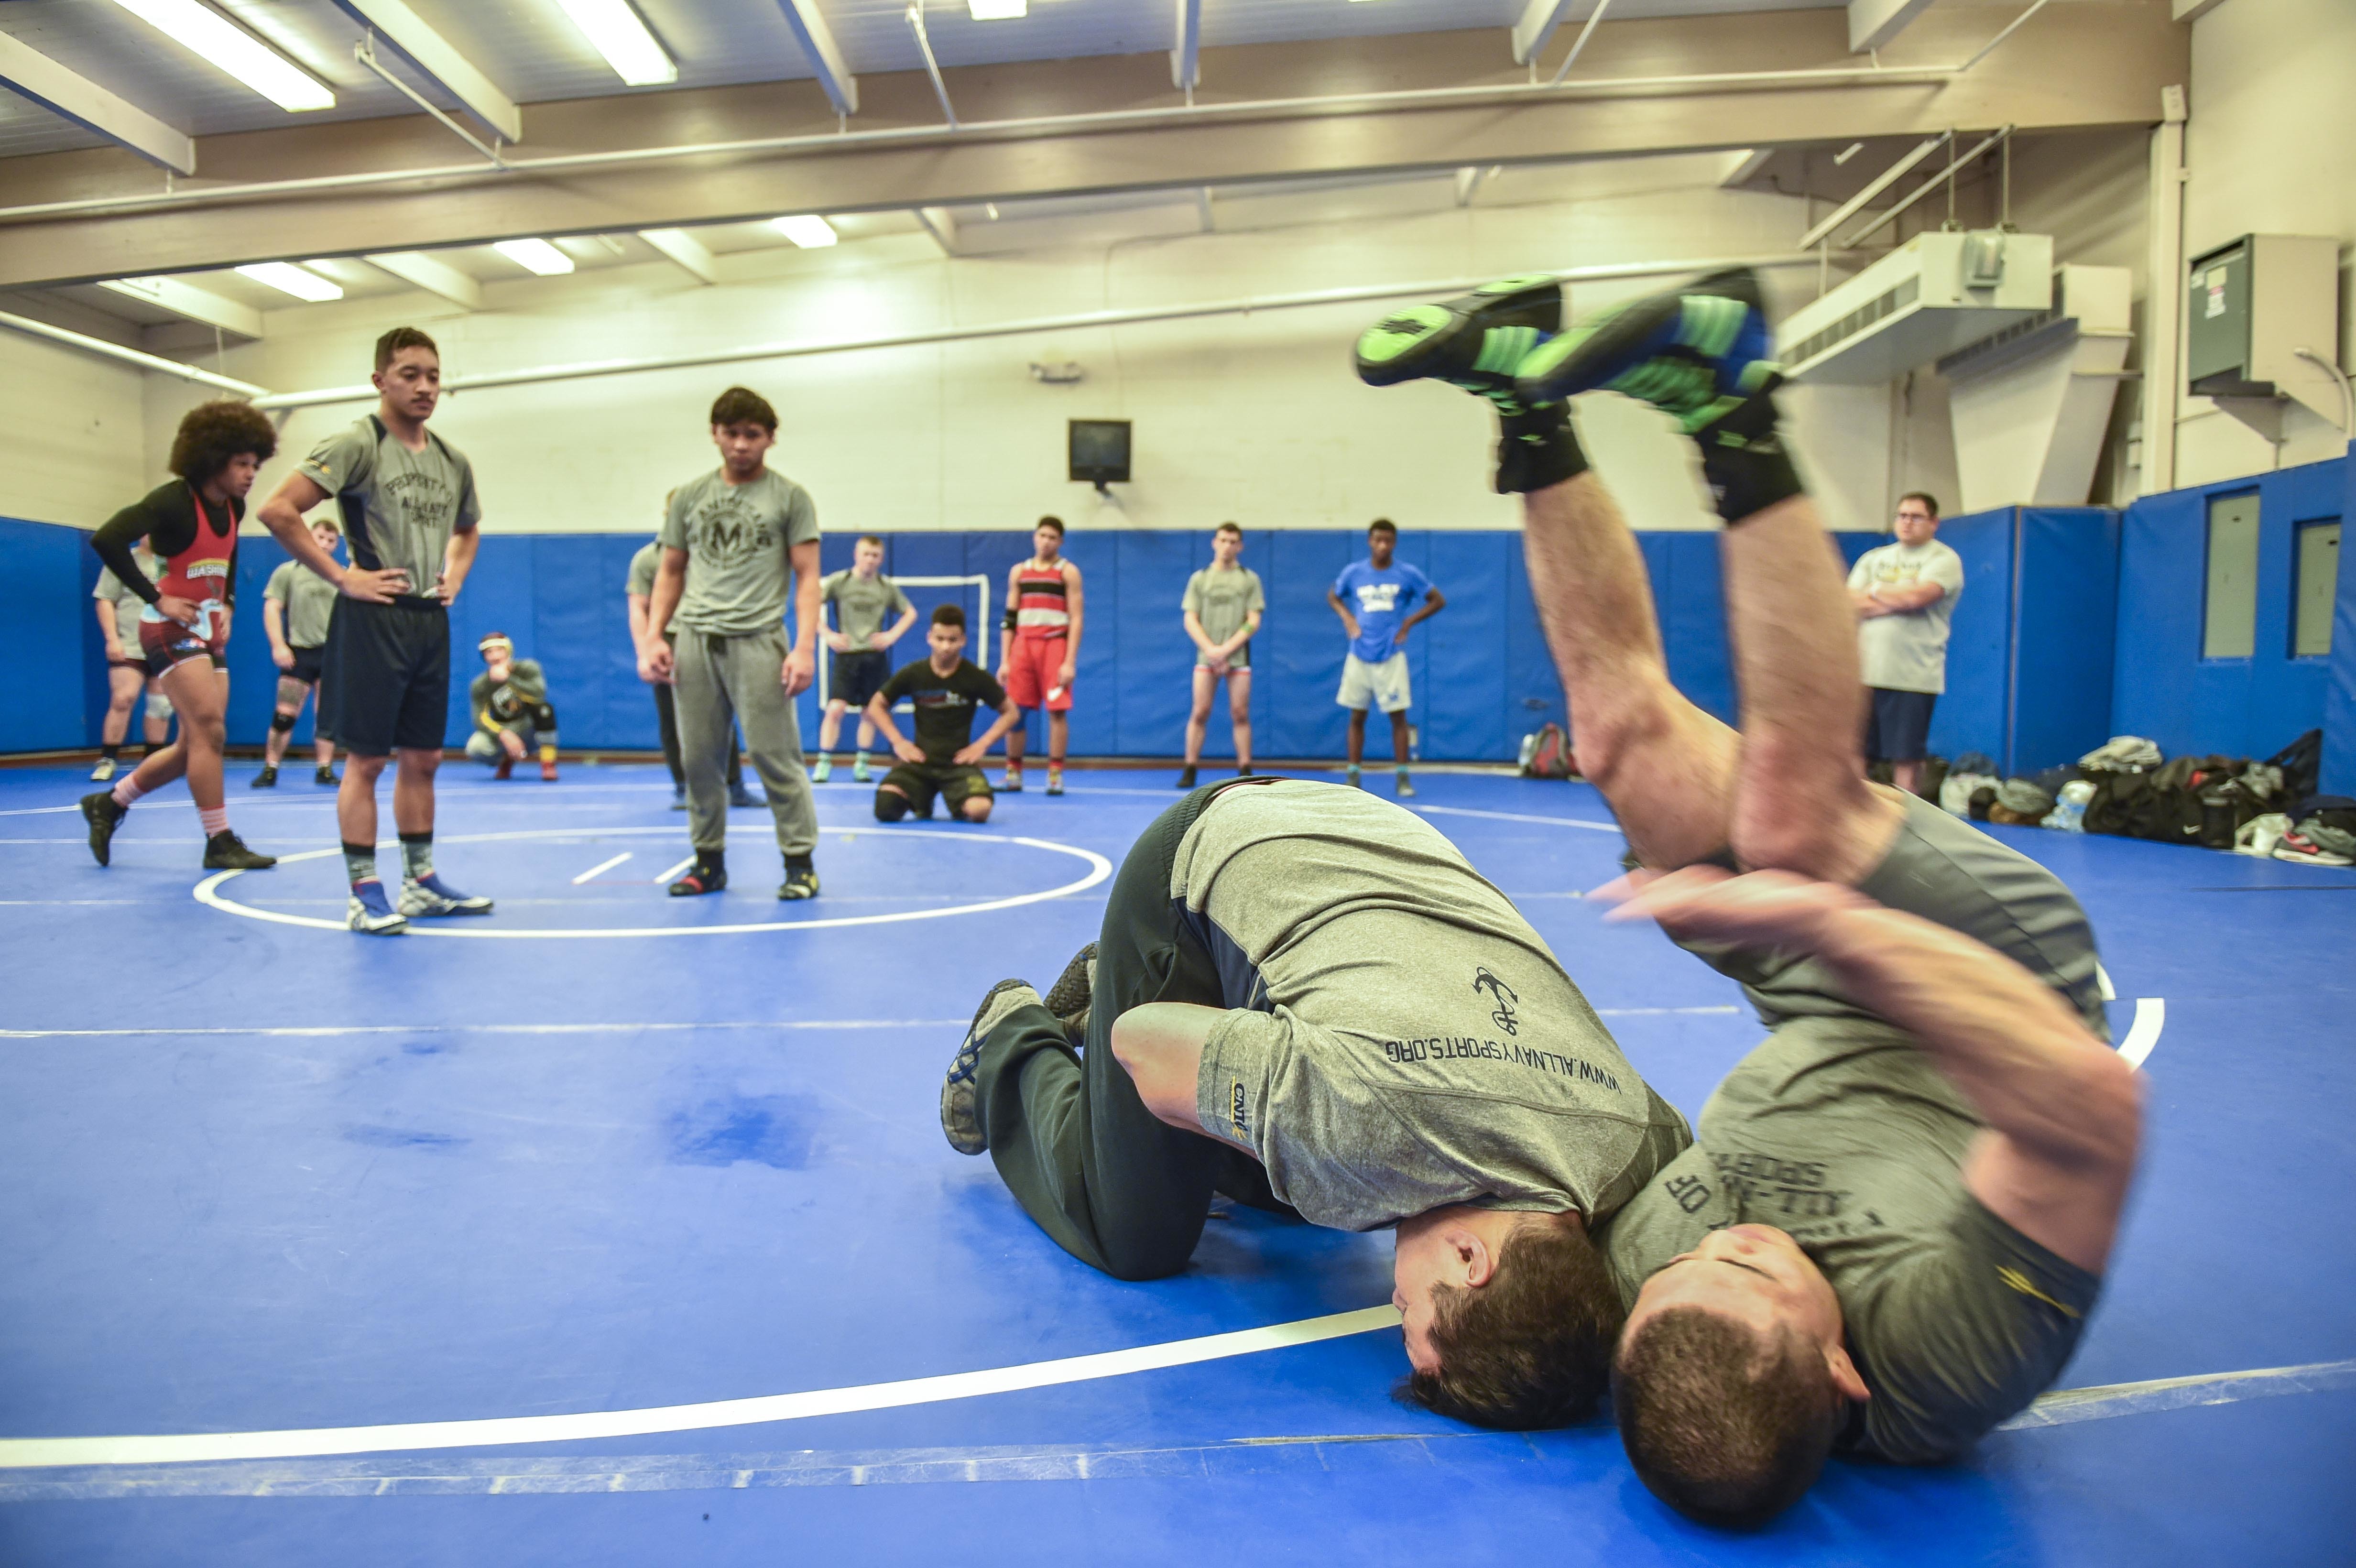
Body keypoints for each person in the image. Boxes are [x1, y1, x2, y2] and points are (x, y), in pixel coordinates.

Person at [1357, 268, 2140, 1525]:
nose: (1727, 1246)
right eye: (1759, 1276)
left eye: (1686, 1275)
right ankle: (1736, 406)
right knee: (1793, 826)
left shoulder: (1647, 1303)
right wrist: (1834, 926)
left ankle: (1524, 396)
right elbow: (2091, 1111)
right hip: (1987, 991)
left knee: (1624, 748)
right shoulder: (1944, 1370)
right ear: (1839, 1374)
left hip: (1801, 986)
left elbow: (1503, 1240)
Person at [938, 776, 1691, 1429]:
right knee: (1132, 1232)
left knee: (1305, 1179)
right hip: (1209, 852)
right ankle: (1016, 1037)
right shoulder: (1359, 1123)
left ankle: (1215, 1024)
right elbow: (1140, 1041)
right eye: (1409, 1314)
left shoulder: (1637, 1140)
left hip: (1383, 836)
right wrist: (1160, 1048)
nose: (1393, 1296)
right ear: (1470, 1259)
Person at [255, 324, 493, 936]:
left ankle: (420, 883)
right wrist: (342, 576)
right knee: (365, 761)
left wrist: (454, 578)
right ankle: (365, 893)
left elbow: (468, 530)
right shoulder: (357, 443)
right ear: (380, 380)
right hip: (372, 619)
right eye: (409, 374)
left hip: (426, 620)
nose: (424, 387)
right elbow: (277, 510)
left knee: (425, 757)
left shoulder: (450, 459)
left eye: (433, 376)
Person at [77, 400, 280, 873]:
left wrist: (227, 602)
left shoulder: (235, 505)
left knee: (198, 741)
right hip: (167, 627)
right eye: (242, 464)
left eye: (256, 464)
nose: (251, 474)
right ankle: (219, 840)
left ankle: (111, 802)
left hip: (207, 628)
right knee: (209, 729)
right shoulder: (172, 500)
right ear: (213, 459)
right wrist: (157, 595)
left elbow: (226, 557)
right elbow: (107, 538)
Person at [641, 386, 822, 901]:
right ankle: (708, 862)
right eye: (731, 433)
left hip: (759, 638)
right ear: (714, 435)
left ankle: (799, 863)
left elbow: (808, 577)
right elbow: (670, 570)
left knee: (773, 754)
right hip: (695, 638)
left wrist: (804, 647)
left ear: (769, 439)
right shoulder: (690, 497)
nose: (741, 445)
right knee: (699, 757)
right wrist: (656, 635)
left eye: (752, 435)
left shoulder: (790, 498)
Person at [626, 526, 760, 812]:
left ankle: (735, 786)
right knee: (672, 716)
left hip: (708, 633)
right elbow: (638, 606)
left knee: (722, 711)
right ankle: (683, 786)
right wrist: (644, 652)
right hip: (669, 639)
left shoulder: (709, 554)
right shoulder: (648, 559)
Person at [1848, 493, 1963, 796]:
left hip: (1913, 677)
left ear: (1934, 523)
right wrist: (1895, 598)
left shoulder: (1943, 560)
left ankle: (1908, 827)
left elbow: (1918, 597)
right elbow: (1848, 603)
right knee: (1857, 753)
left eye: (1915, 517)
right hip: (1866, 673)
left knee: (1906, 758)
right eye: (1902, 516)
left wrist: (1874, 593)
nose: (1907, 523)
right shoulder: (1874, 559)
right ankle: (1861, 823)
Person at [864, 605, 1019, 824]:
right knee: (886, 808)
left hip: (957, 765)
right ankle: (922, 801)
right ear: (929, 638)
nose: (946, 646)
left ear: (963, 640)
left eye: (953, 640)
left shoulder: (975, 677)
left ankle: (958, 803)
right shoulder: (914, 673)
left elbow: (1011, 713)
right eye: (940, 639)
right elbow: (876, 705)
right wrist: (898, 741)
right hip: (920, 762)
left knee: (980, 810)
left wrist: (982, 745)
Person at [1328, 519, 1445, 796]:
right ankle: (1354, 774)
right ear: (1370, 541)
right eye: (1377, 540)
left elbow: (1437, 600)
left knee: (1398, 717)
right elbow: (1334, 595)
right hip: (1359, 654)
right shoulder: (1355, 573)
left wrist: (1407, 624)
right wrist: (1348, 618)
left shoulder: (1407, 574)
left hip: (1391, 655)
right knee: (1357, 716)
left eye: (1388, 541)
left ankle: (1403, 777)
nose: (1382, 546)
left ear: (1394, 543)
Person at [814, 535, 916, 784]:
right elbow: (810, 604)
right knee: (836, 708)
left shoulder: (885, 587)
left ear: (881, 559)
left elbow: (910, 612)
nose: (870, 560)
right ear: (856, 555)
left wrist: (891, 636)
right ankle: (824, 762)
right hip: (847, 656)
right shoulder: (840, 582)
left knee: (871, 712)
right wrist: (827, 634)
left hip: (874, 657)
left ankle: (862, 764)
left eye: (875, 555)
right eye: (866, 554)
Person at [255, 517, 344, 788]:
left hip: (331, 654)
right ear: (309, 537)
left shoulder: (341, 574)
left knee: (327, 715)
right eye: (320, 538)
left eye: (331, 540)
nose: (325, 544)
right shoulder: (289, 572)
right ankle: (270, 768)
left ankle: (325, 769)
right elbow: (272, 608)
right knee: (285, 715)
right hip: (299, 653)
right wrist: (279, 645)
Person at [997, 515, 1083, 797]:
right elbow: (1009, 618)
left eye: (1052, 537)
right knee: (1015, 712)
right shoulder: (1019, 572)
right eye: (1042, 535)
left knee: (1057, 710)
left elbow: (1077, 618)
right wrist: (1006, 660)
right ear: (1035, 537)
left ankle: (1055, 774)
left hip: (1054, 645)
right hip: (1023, 645)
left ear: (1060, 542)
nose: (1046, 541)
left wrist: (1069, 661)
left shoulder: (1068, 572)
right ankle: (1013, 772)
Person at [1175, 522, 1264, 790]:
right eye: (1223, 540)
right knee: (1200, 711)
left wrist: (1227, 650)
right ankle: (1190, 767)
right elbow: (1190, 619)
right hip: (1207, 657)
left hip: (1237, 658)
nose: (1227, 546)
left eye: (1232, 541)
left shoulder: (1249, 579)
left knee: (1240, 713)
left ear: (1240, 546)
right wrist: (1211, 650)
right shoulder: (1200, 579)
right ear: (1214, 542)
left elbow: (1253, 620)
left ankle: (1245, 769)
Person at [89, 541, 172, 782]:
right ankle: (108, 759)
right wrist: (112, 639)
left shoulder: (173, 562)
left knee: (161, 706)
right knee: (123, 698)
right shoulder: (123, 560)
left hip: (163, 645)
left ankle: (154, 762)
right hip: (130, 645)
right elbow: (104, 599)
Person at [463, 633, 559, 780]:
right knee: (476, 748)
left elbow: (539, 695)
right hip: (505, 726)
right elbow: (480, 718)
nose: (495, 656)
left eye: (499, 650)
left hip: (529, 727)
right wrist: (503, 734)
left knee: (545, 710)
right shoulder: (480, 685)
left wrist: (509, 679)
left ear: (509, 651)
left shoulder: (528, 668)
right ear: (484, 657)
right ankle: (506, 759)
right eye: (489, 652)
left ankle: (548, 764)